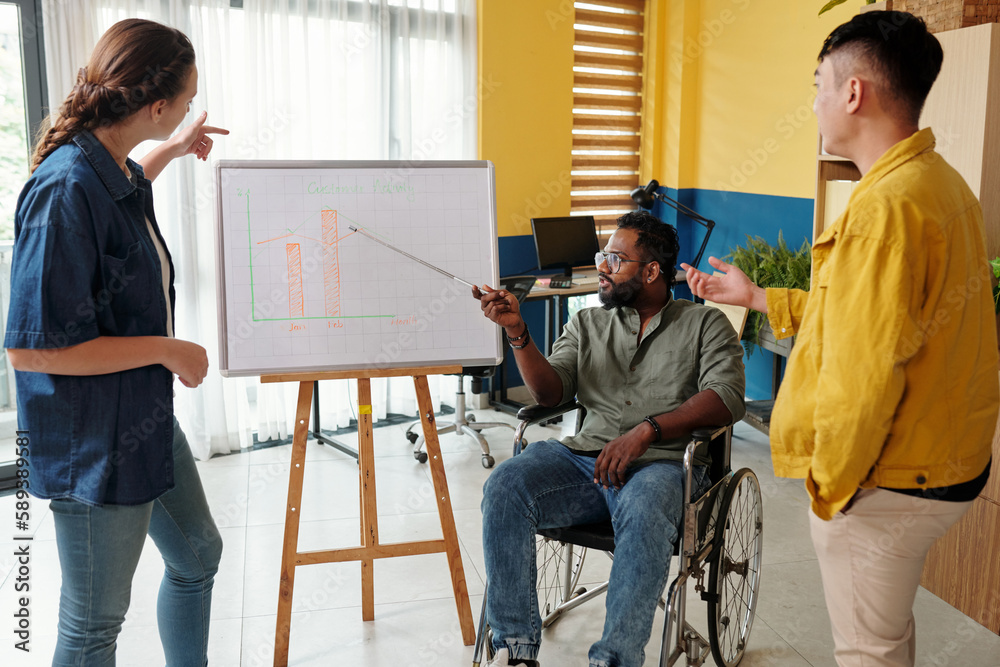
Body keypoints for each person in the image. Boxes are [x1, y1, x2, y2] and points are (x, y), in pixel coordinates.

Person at [682, 11, 997, 667]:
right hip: (947, 460)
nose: (817, 102)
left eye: (819, 84)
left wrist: (832, 492)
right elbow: (866, 311)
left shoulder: (881, 208)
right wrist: (759, 296)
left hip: (891, 478)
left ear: (853, 93)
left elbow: (864, 375)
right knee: (884, 635)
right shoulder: (938, 185)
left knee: (866, 651)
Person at [4, 18, 229, 666]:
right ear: (156, 103)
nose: (190, 105)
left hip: (142, 418)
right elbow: (31, 348)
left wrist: (180, 147)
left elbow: (133, 182)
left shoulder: (112, 166)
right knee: (94, 623)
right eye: (187, 98)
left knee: (196, 554)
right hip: (93, 444)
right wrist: (167, 348)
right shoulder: (65, 188)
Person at [473, 210, 745, 667]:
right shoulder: (587, 324)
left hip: (663, 466)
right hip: (586, 462)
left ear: (652, 271)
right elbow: (550, 392)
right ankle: (517, 650)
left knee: (645, 502)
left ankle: (614, 660)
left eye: (615, 259)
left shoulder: (704, 325)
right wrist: (517, 332)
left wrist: (648, 430)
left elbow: (726, 396)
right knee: (505, 486)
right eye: (604, 255)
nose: (602, 266)